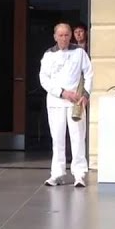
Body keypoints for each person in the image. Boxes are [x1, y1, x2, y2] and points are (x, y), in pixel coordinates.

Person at [39, 22, 93, 188]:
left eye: (66, 35)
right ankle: (57, 173)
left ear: (70, 36)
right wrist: (62, 92)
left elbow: (89, 73)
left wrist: (85, 94)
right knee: (57, 139)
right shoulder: (48, 55)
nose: (63, 38)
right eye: (60, 35)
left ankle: (79, 174)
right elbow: (44, 79)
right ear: (55, 37)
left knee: (77, 138)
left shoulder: (79, 52)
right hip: (56, 102)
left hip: (75, 103)